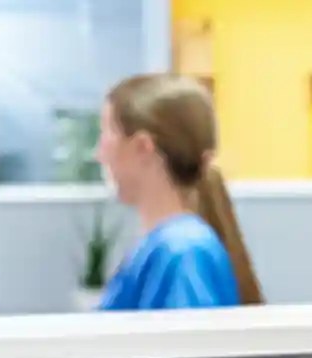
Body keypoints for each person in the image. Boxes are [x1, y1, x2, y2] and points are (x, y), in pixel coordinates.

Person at [95, 73, 263, 310]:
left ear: (143, 147)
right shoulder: (166, 247)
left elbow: (186, 344)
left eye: (107, 132)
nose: (99, 153)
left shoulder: (183, 252)